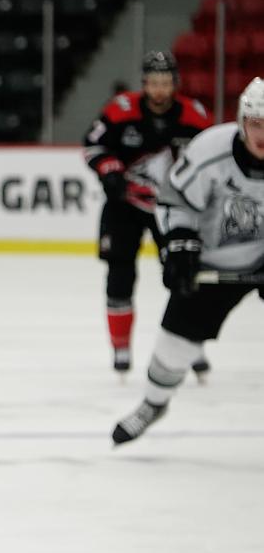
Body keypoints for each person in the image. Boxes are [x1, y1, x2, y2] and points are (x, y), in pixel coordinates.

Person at [112, 77, 264, 445]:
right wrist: (180, 243)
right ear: (243, 120)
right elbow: (174, 200)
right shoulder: (212, 149)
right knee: (174, 347)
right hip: (212, 264)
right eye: (258, 123)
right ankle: (154, 402)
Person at [83, 50, 211, 375]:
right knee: (120, 273)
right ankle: (121, 346)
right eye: (153, 82)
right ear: (144, 83)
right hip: (123, 206)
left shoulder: (194, 117)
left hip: (172, 209)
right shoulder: (121, 109)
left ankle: (189, 343)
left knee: (183, 274)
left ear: (175, 84)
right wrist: (109, 169)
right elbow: (93, 144)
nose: (159, 90)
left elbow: (212, 160)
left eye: (165, 82)